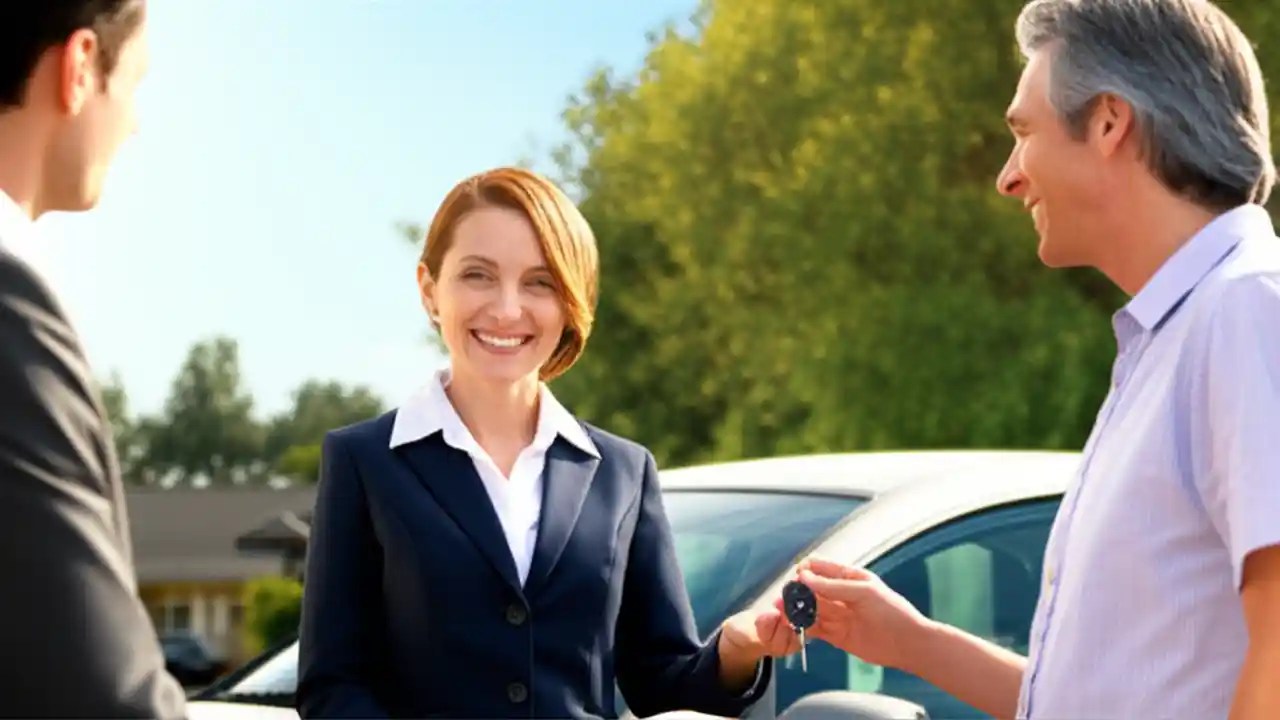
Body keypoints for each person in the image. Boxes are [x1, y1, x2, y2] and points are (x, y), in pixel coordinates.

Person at [794, 1, 1280, 718]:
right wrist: (915, 643)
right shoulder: (1178, 337)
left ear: (1109, 122)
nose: (1008, 178)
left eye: (1024, 132)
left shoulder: (1247, 306)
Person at [296, 166, 797, 718]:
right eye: (478, 275)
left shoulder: (623, 472)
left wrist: (737, 649)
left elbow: (663, 684)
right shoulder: (363, 462)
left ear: (570, 302)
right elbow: (333, 688)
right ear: (430, 290)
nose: (508, 309)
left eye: (540, 282)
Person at [0, 1, 188, 717]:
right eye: (133, 83)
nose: (134, 123)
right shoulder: (9, 311)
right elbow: (97, 695)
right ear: (80, 67)